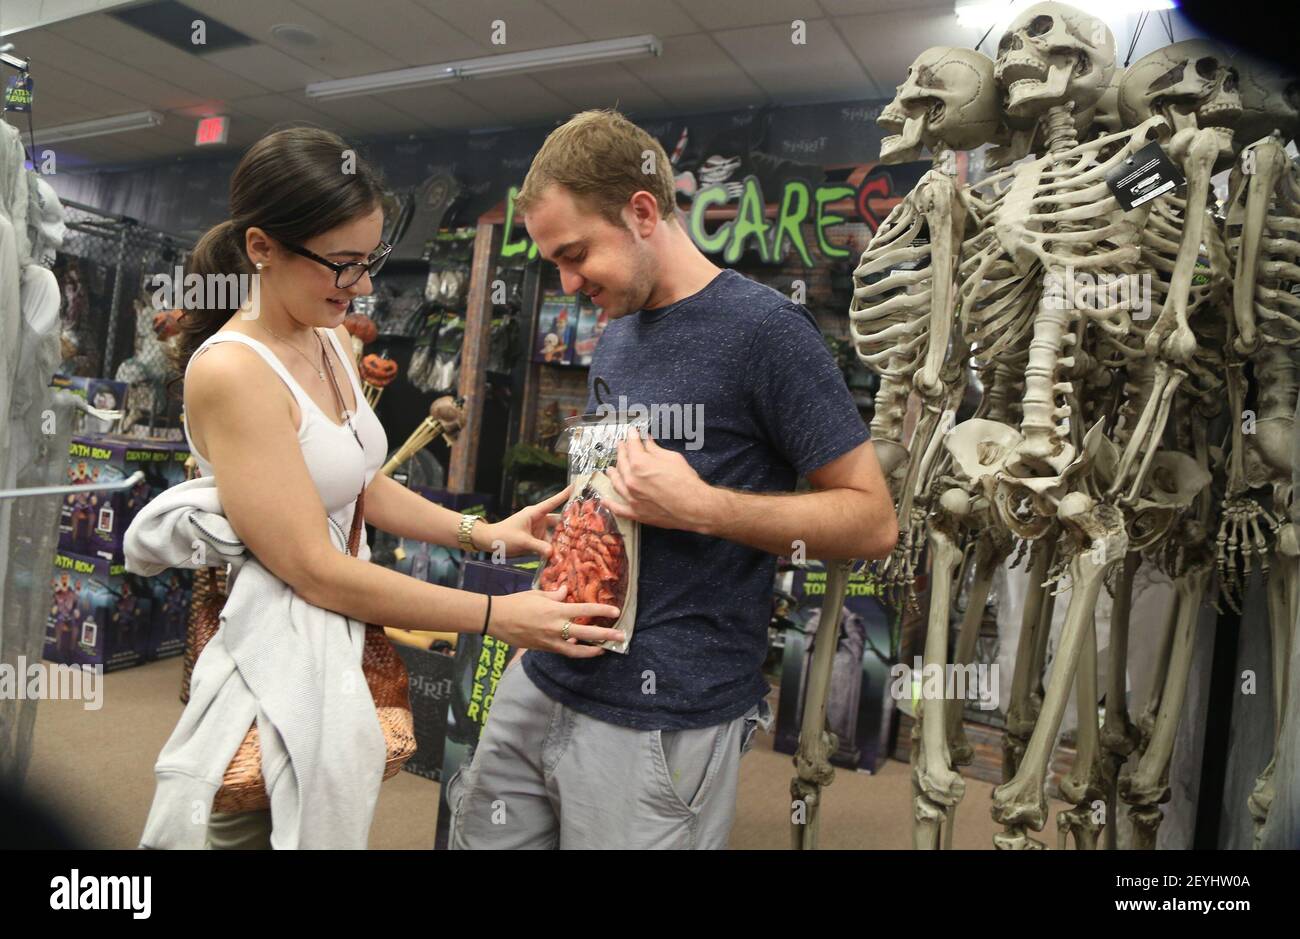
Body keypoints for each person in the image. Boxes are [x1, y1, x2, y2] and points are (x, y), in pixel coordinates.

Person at [447, 110, 897, 850]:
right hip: (548, 671)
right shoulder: (615, 330)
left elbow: (873, 521)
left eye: (576, 253)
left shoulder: (769, 333)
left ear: (643, 211)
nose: (565, 282)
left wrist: (707, 508)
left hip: (666, 709)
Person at [170, 127, 621, 849]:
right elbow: (315, 570)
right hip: (265, 673)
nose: (364, 286)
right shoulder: (234, 372)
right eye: (343, 265)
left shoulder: (327, 336)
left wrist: (482, 532)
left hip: (332, 659)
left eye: (370, 260)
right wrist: (496, 614)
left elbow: (359, 484)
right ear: (262, 248)